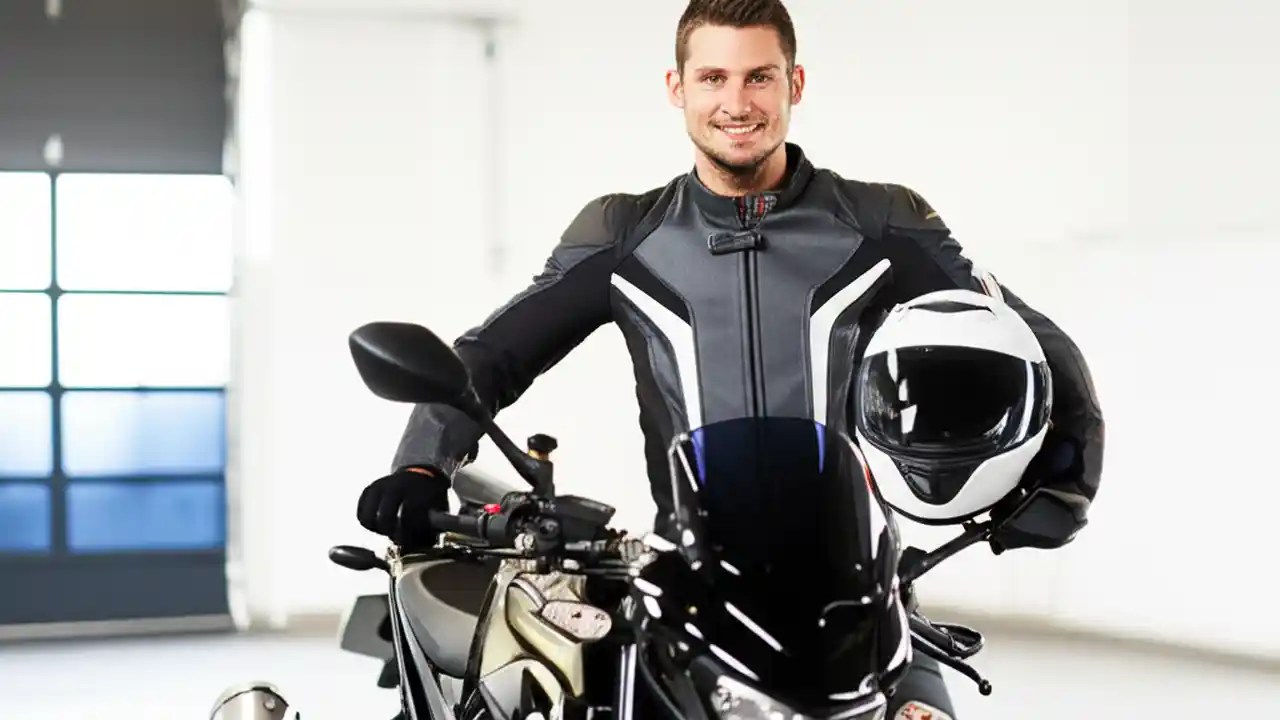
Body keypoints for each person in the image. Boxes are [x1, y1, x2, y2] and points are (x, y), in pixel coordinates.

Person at [357, 1, 1105, 717]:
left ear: (794, 84)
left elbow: (1026, 340)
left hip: (860, 593)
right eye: (713, 77)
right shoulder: (626, 235)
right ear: (677, 88)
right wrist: (421, 465)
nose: (736, 103)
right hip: (690, 592)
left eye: (759, 77)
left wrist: (1064, 479)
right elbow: (490, 357)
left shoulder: (879, 224)